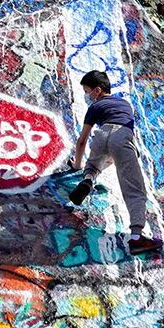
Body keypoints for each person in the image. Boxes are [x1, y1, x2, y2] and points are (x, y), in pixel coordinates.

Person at [64, 71, 157, 256]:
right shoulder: (124, 104)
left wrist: (77, 165)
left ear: (97, 91)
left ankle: (88, 179)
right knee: (135, 190)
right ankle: (137, 238)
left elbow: (82, 141)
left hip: (102, 134)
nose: (86, 95)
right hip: (122, 135)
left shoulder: (95, 107)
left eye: (86, 91)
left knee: (94, 164)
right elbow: (120, 143)